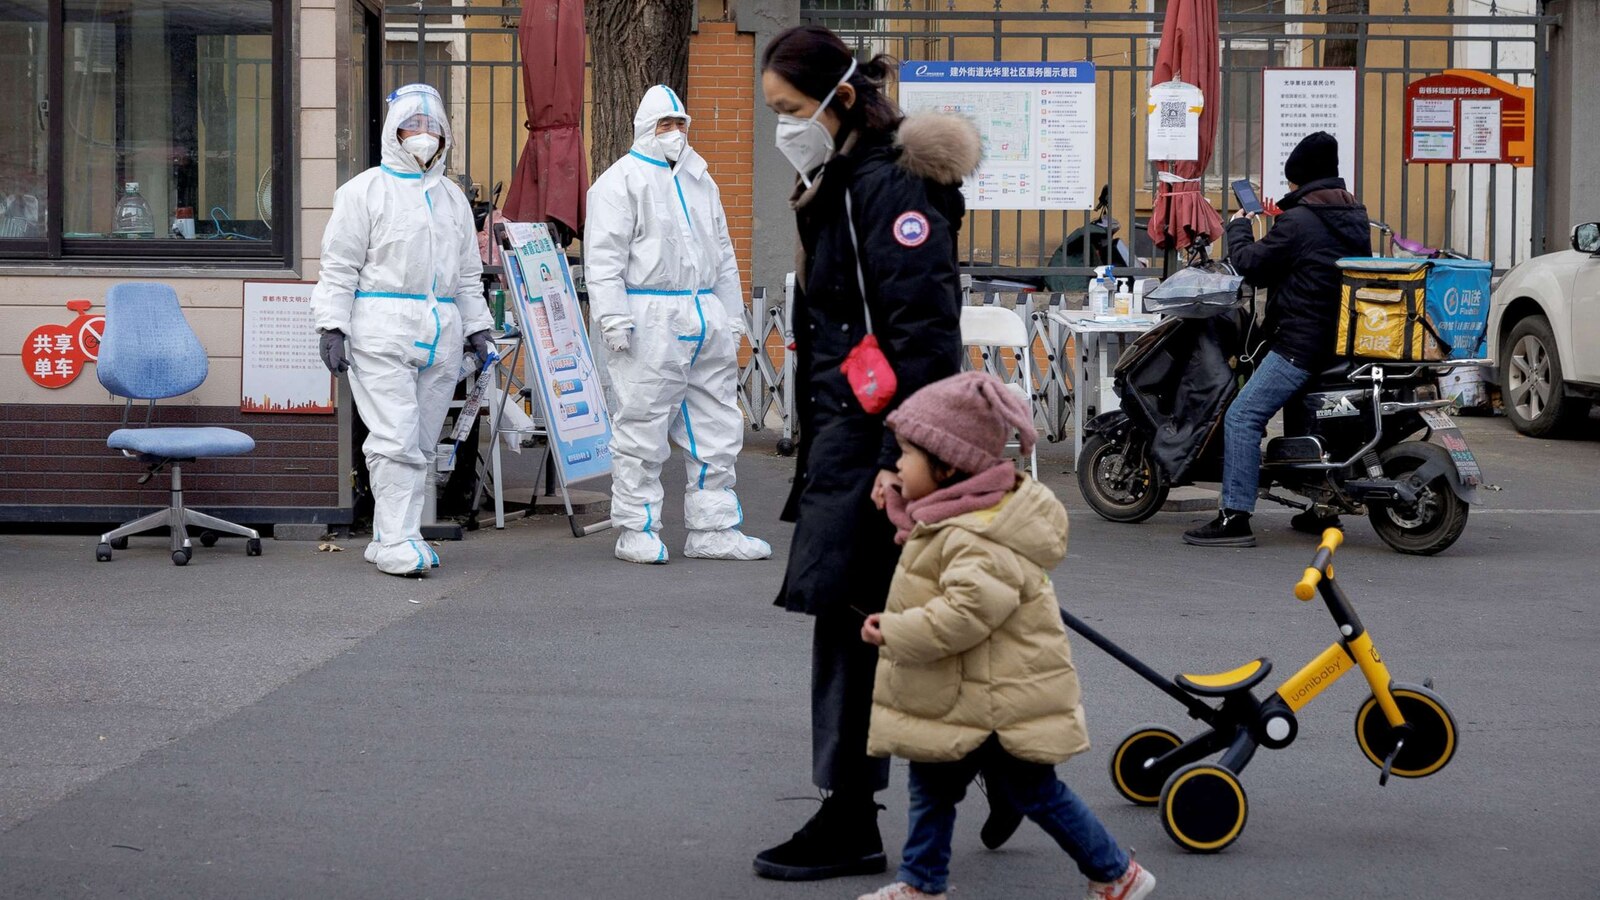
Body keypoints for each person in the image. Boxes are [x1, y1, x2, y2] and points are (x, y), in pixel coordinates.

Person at [753, 26, 982, 882]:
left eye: (789, 109)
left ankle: (851, 817)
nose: (782, 126)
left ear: (839, 101)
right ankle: (983, 771)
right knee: (867, 621)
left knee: (857, 625)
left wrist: (903, 457)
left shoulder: (887, 189)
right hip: (847, 433)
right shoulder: (843, 180)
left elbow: (924, 335)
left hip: (876, 443)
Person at [855, 371, 1155, 900]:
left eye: (906, 456)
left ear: (948, 464)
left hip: (999, 698)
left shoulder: (978, 537)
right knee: (933, 785)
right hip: (969, 693)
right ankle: (922, 884)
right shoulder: (958, 515)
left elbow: (964, 615)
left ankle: (1116, 873)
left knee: (1033, 792)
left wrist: (897, 632)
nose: (896, 465)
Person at [583, 85, 770, 565]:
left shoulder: (699, 179)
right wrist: (613, 318)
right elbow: (603, 260)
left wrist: (731, 316)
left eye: (680, 124)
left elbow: (724, 256)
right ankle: (636, 528)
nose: (675, 133)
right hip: (648, 316)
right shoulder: (619, 182)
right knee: (642, 426)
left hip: (702, 310)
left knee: (717, 425)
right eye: (665, 125)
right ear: (646, 130)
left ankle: (714, 528)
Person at [312, 83, 494, 577]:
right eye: (413, 126)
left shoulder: (452, 199)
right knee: (394, 437)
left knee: (417, 443)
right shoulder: (363, 192)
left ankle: (397, 534)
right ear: (394, 132)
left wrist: (478, 327)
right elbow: (339, 266)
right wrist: (332, 325)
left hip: (441, 332)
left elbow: (468, 275)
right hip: (381, 329)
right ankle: (396, 539)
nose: (423, 136)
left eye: (432, 127)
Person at [1184, 131, 1371, 548]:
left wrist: (1238, 228)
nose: (1289, 189)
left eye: (1291, 182)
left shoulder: (1300, 221)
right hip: (1337, 340)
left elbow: (1251, 266)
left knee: (1243, 416)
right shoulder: (1352, 214)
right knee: (1309, 423)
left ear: (1301, 179)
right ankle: (1322, 508)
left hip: (1299, 344)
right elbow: (1307, 262)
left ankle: (1234, 517)